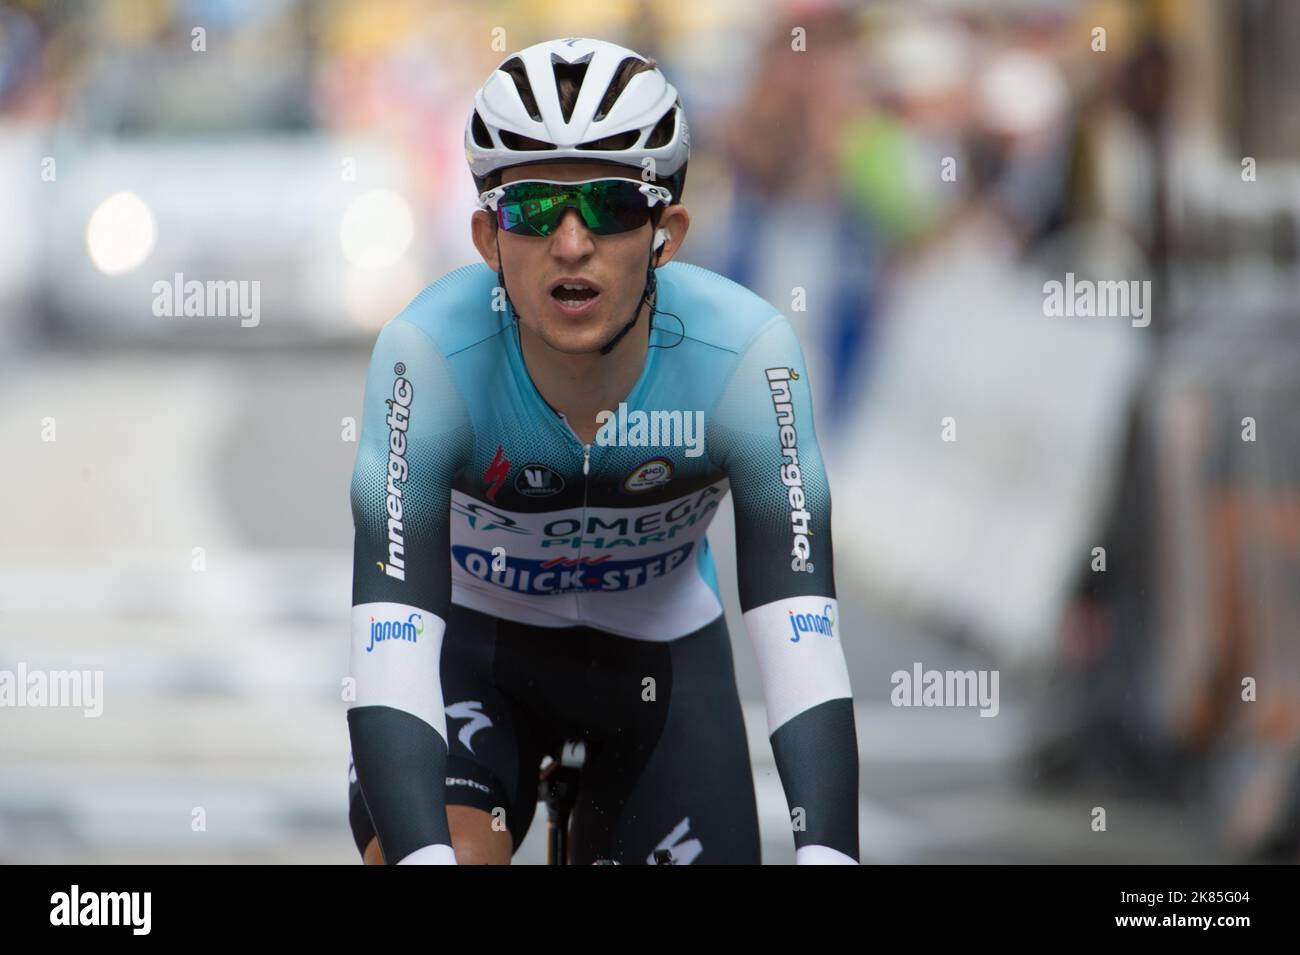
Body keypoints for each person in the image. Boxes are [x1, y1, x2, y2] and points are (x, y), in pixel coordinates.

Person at [345, 37, 858, 864]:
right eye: (536, 209)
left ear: (668, 231)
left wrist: (830, 854)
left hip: (661, 666)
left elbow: (801, 634)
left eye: (614, 207)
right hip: (476, 655)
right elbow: (389, 640)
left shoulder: (745, 357)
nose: (573, 243)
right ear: (486, 236)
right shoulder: (427, 358)